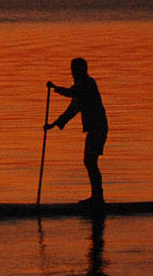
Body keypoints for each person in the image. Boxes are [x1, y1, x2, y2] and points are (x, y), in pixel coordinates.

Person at [45, 58, 108, 205]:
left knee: (90, 161)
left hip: (98, 128)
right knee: (89, 161)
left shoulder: (87, 84)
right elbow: (72, 110)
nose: (72, 73)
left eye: (74, 70)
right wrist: (54, 124)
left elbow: (71, 93)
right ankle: (97, 197)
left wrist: (55, 87)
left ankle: (98, 198)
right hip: (94, 129)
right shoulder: (81, 88)